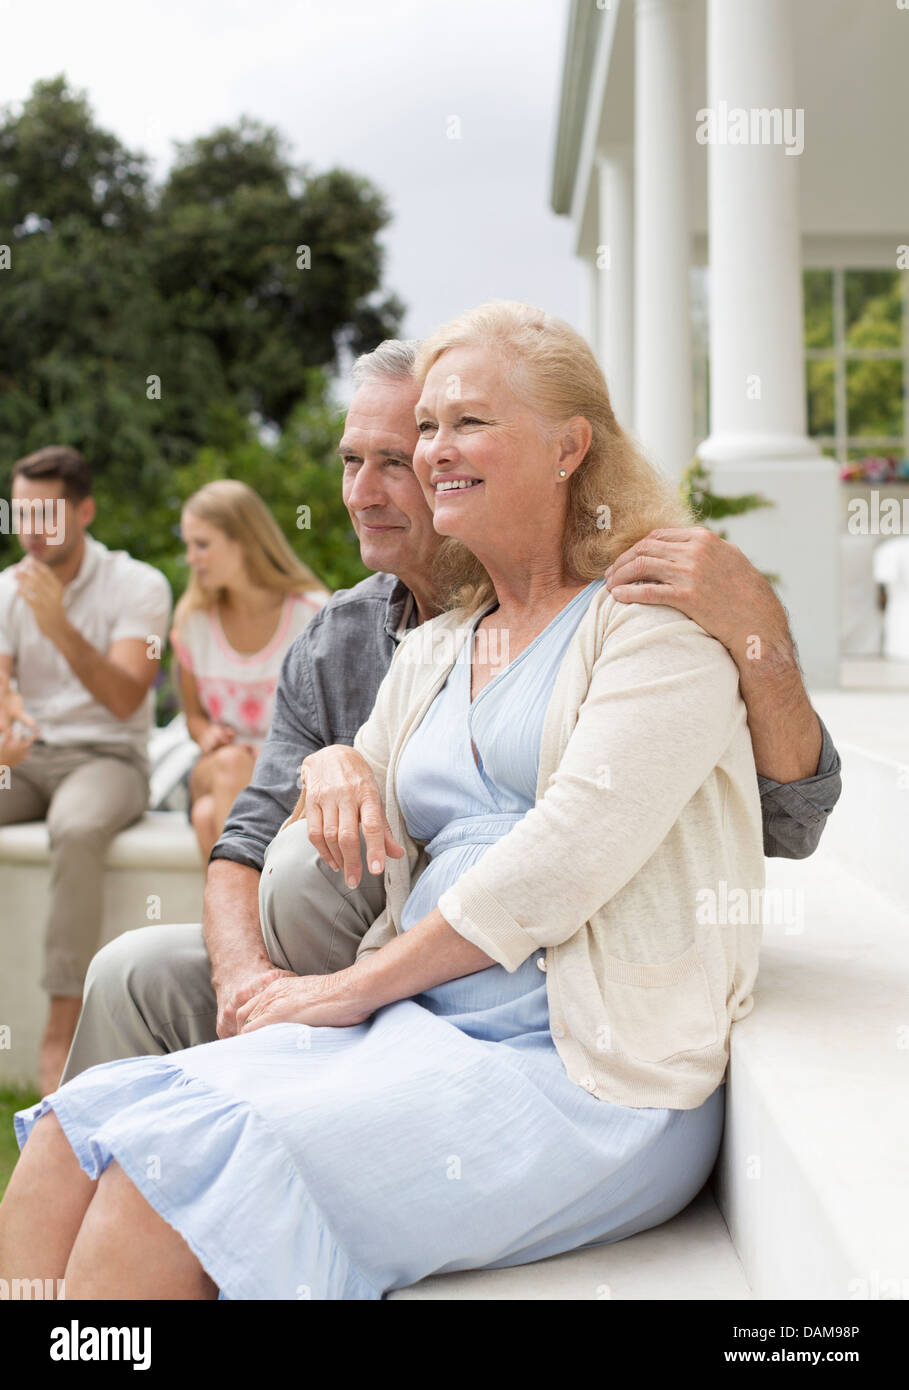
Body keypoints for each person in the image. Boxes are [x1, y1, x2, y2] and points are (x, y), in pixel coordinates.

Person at [0, 304, 840, 1299]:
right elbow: (297, 805)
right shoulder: (433, 645)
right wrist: (334, 766)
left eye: (464, 424)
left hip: (579, 1068)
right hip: (418, 1018)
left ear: (570, 446)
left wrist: (346, 992)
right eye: (425, 429)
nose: (432, 452)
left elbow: (570, 854)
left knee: (159, 1180)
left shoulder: (652, 622)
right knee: (68, 1135)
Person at [57, 339, 841, 1082]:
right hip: (345, 961)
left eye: (396, 460)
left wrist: (757, 631)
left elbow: (788, 824)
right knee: (132, 973)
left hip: (495, 984)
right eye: (352, 462)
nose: (364, 493)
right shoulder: (337, 641)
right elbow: (246, 841)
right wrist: (242, 986)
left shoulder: (602, 618)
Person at [0, 446, 171, 1095]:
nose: (32, 529)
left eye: (46, 512)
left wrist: (59, 624)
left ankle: (60, 1033)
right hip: (29, 758)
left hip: (108, 758)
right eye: (21, 513)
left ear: (85, 511)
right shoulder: (6, 590)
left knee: (74, 829)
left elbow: (127, 696)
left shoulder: (139, 584)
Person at [171, 480, 329, 861]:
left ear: (243, 540)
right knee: (231, 765)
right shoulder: (193, 621)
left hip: (291, 772)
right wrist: (207, 734)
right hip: (219, 766)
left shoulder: (311, 613)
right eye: (188, 545)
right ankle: (253, 910)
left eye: (202, 544)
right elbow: (193, 716)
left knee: (206, 815)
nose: (191, 557)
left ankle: (228, 913)